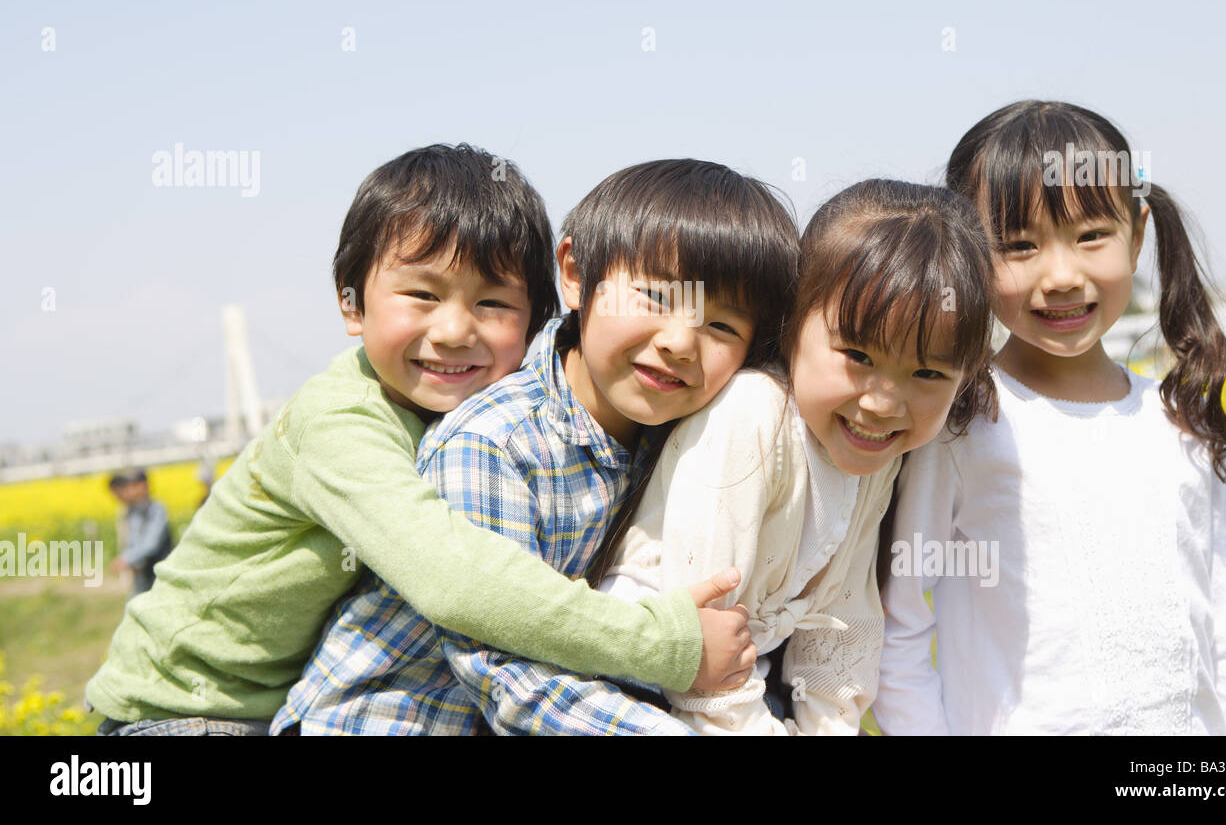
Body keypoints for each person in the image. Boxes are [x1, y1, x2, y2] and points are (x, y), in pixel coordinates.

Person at [86, 145, 754, 736]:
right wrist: (664, 644)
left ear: (537, 315)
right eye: (421, 295)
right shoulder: (339, 421)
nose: (456, 330)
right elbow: (454, 578)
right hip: (184, 711)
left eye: (493, 304)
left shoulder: (503, 414)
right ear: (352, 305)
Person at [273, 158, 798, 735]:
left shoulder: (683, 434)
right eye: (652, 298)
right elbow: (508, 673)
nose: (678, 342)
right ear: (574, 276)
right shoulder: (492, 444)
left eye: (722, 327)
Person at [873, 101, 1226, 735]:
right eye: (1018, 246)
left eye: (1091, 235)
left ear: (1138, 231)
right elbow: (899, 630)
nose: (1062, 276)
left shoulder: (1183, 423)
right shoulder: (960, 426)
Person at [596, 179, 995, 734]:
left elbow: (843, 625)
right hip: (634, 680)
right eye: (857, 355)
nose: (881, 403)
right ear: (791, 328)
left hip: (744, 686)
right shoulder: (753, 417)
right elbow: (699, 648)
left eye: (928, 373)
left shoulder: (874, 454)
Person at [108, 468, 173, 596]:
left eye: (132, 486)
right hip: (141, 576)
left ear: (143, 486)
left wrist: (126, 559)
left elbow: (151, 544)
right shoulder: (131, 512)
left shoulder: (157, 509)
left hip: (159, 575)